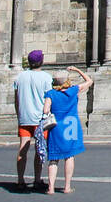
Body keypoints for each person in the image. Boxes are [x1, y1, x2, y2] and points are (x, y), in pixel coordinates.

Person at [42, 66, 93, 194]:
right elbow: (89, 81)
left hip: (56, 128)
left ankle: (51, 187)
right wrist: (77, 70)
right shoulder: (73, 91)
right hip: (71, 127)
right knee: (69, 156)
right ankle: (67, 186)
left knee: (53, 158)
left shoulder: (51, 94)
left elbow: (45, 110)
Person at [13, 49, 52, 191]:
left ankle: (20, 180)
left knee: (23, 149)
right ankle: (37, 179)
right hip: (40, 119)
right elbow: (48, 98)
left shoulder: (19, 77)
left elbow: (16, 100)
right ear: (41, 61)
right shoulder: (46, 78)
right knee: (39, 149)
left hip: (25, 118)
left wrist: (19, 115)